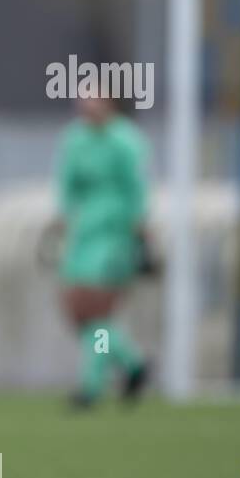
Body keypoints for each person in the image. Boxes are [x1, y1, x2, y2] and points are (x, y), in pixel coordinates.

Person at [53, 87, 151, 408]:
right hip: (85, 233)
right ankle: (133, 363)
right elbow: (67, 187)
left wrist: (142, 231)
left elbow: (137, 188)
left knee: (95, 305)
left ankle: (91, 387)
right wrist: (62, 220)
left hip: (115, 232)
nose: (87, 104)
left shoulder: (126, 140)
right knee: (80, 311)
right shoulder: (75, 141)